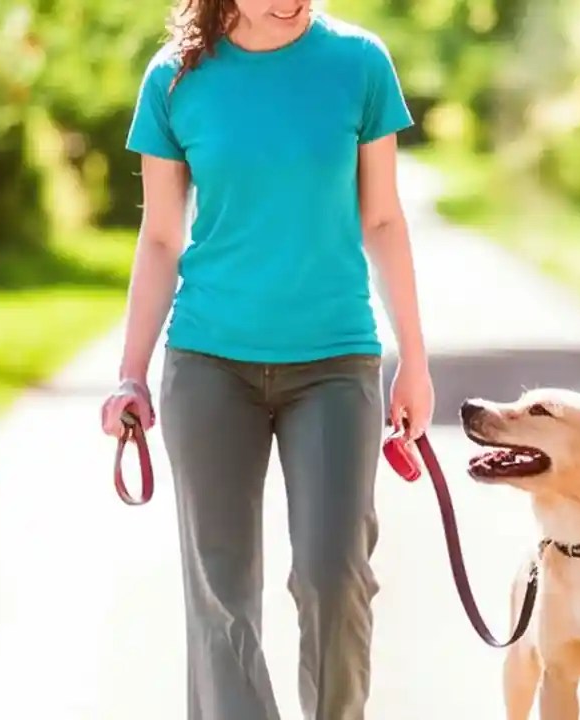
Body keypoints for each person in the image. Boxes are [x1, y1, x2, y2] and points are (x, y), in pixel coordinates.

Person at [99, 1, 434, 718]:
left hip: (335, 361)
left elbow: (382, 217)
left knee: (333, 576)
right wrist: (131, 372)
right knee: (220, 592)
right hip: (209, 363)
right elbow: (160, 238)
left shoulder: (359, 63)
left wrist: (415, 359)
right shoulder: (175, 78)